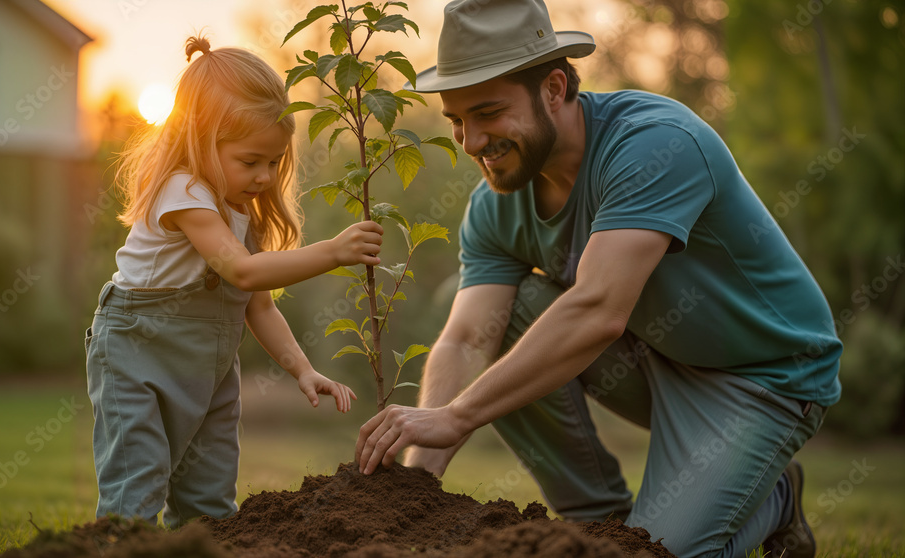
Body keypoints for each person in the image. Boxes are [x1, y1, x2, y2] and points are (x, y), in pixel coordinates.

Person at [355, 1, 841, 557]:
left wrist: (458, 415)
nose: (470, 141)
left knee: (655, 556)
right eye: (458, 121)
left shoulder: (653, 145)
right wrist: (418, 483)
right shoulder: (496, 205)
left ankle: (776, 499)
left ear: (555, 89)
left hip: (761, 375)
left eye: (487, 113)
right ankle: (596, 524)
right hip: (655, 355)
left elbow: (598, 309)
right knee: (506, 312)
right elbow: (467, 339)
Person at [85, 35, 383, 528]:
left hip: (210, 371)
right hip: (136, 355)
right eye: (251, 161)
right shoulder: (183, 193)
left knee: (209, 499)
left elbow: (258, 305)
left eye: (273, 161)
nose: (265, 175)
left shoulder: (243, 214)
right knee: (134, 488)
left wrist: (301, 369)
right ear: (201, 139)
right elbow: (240, 271)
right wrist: (333, 252)